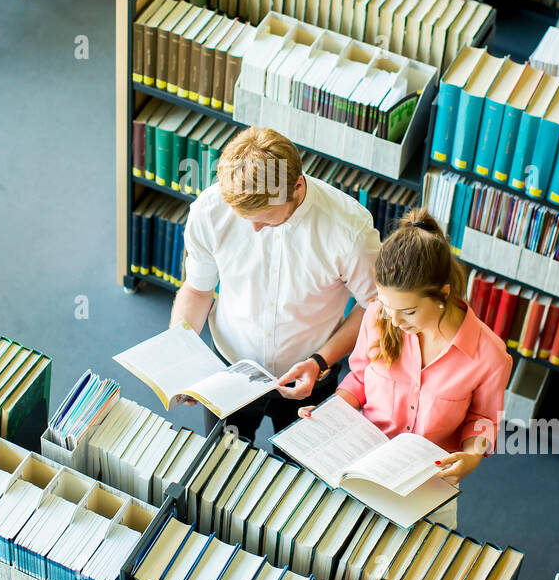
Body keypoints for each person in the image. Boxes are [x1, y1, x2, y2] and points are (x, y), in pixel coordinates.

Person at [301, 208, 512, 528]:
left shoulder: (490, 356)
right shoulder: (378, 316)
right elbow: (358, 378)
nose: (395, 321)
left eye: (409, 312)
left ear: (443, 295)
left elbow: (483, 419)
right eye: (387, 307)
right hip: (364, 465)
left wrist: (471, 456)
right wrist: (329, 415)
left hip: (430, 483)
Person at [170, 127, 381, 442]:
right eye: (244, 217)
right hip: (229, 369)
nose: (254, 228)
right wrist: (179, 356)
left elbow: (373, 306)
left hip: (311, 376)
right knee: (221, 465)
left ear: (297, 187)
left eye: (265, 217)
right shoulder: (210, 209)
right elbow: (198, 290)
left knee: (298, 478)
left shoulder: (350, 230)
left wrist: (321, 359)